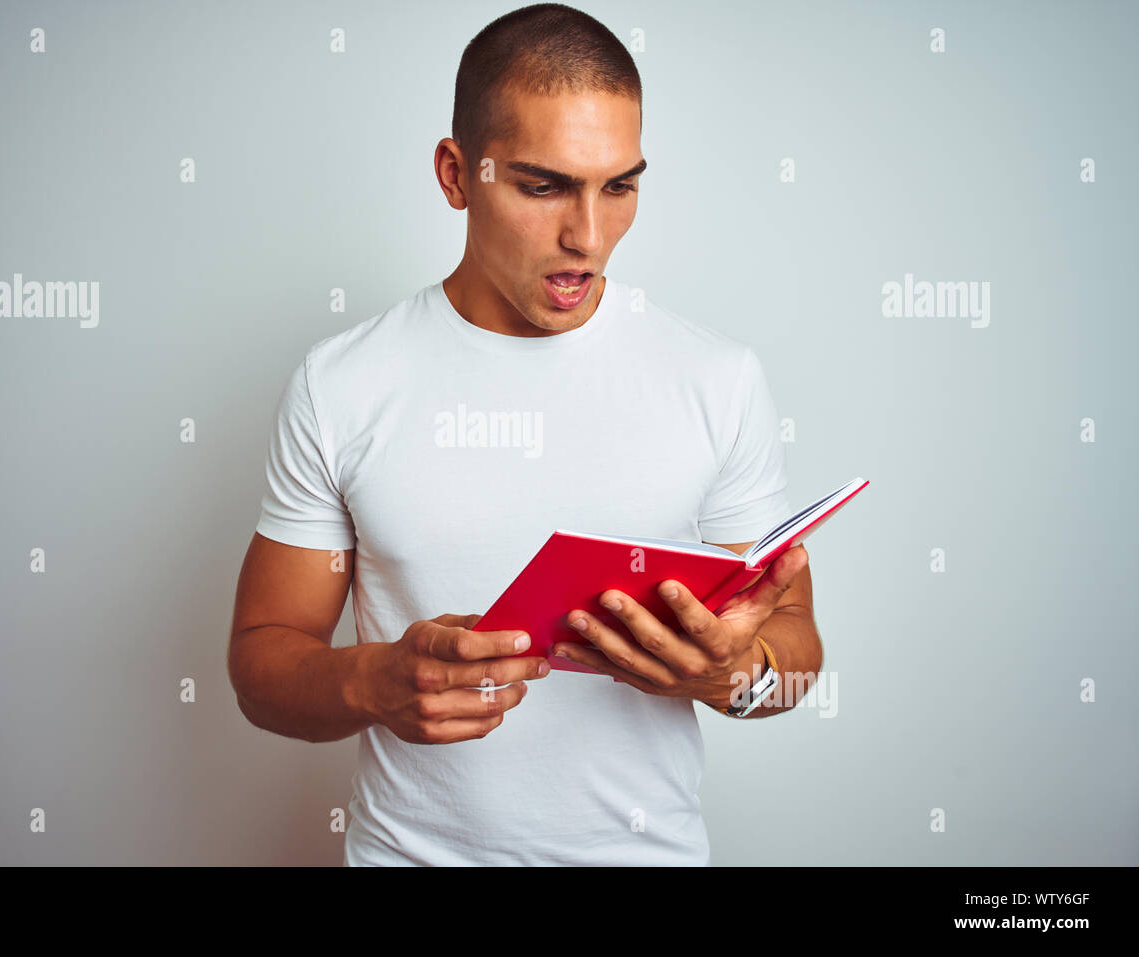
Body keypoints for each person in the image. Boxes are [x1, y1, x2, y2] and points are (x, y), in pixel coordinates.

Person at [227, 2, 821, 866]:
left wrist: (732, 674)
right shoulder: (342, 384)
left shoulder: (716, 378)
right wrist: (373, 680)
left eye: (619, 185)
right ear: (457, 173)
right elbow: (261, 663)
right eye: (545, 185)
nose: (588, 236)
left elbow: (796, 643)